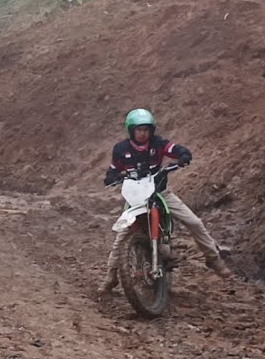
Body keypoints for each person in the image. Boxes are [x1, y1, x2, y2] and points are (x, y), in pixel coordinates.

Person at [98, 108, 231, 295]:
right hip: (136, 197)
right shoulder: (121, 150)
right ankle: (110, 277)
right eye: (139, 129)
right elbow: (112, 172)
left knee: (194, 222)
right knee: (121, 236)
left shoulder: (158, 143)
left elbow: (175, 149)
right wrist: (113, 177)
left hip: (161, 192)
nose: (143, 133)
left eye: (146, 129)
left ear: (151, 130)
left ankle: (213, 258)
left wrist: (183, 156)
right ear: (131, 130)